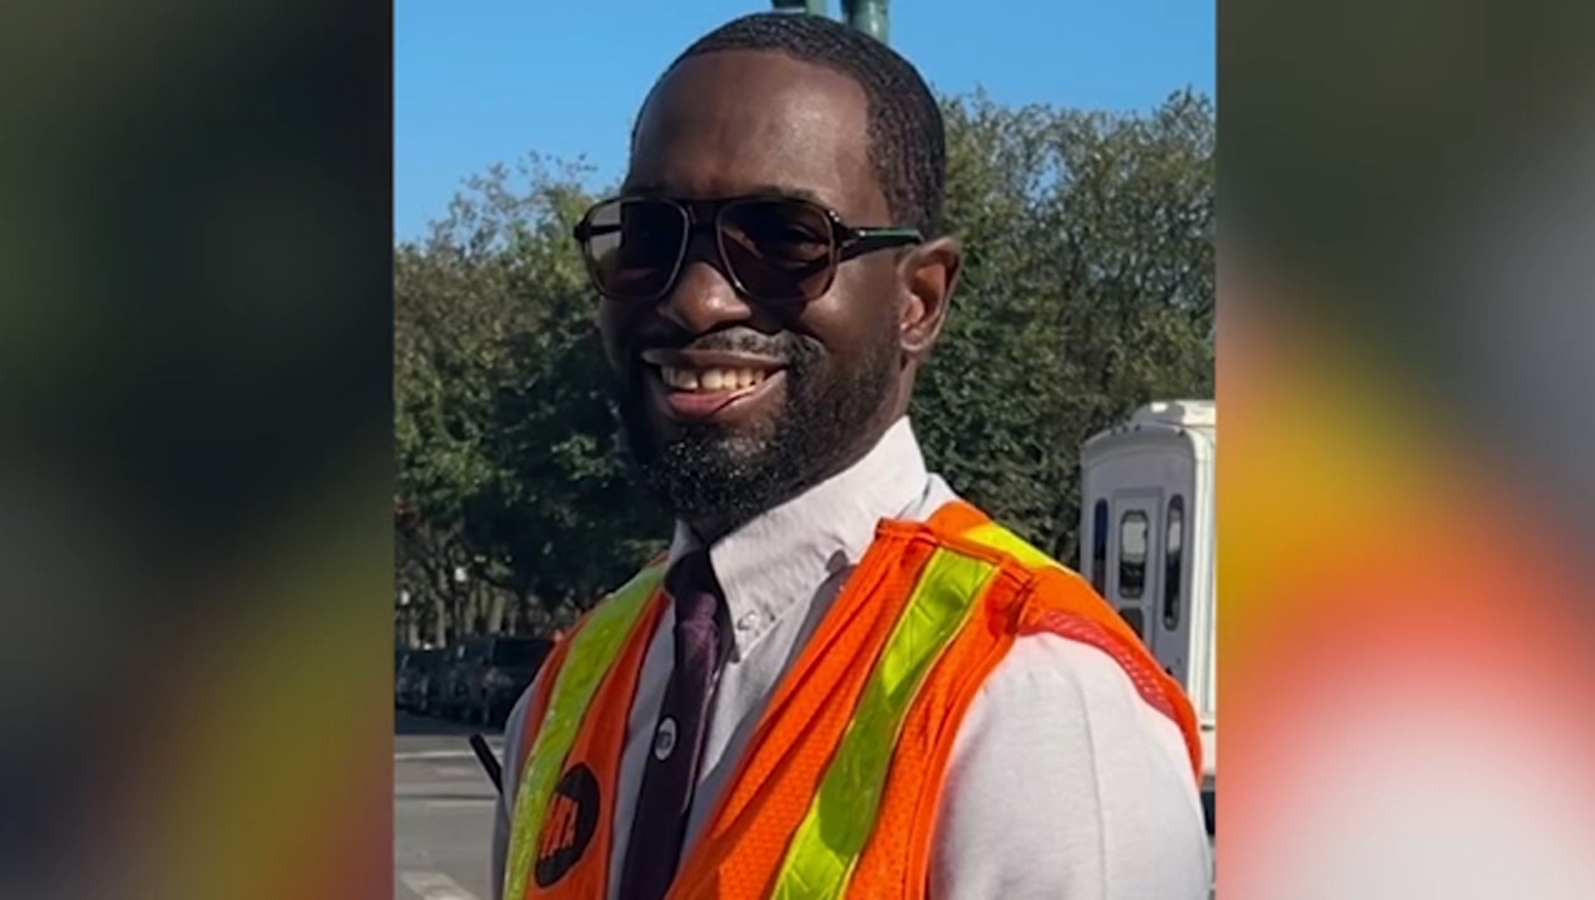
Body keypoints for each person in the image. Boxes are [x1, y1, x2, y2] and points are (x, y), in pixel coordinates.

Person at [492, 12, 1210, 900]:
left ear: (919, 301)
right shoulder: (572, 688)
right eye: (649, 236)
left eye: (785, 241)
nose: (698, 299)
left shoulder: (1036, 701)